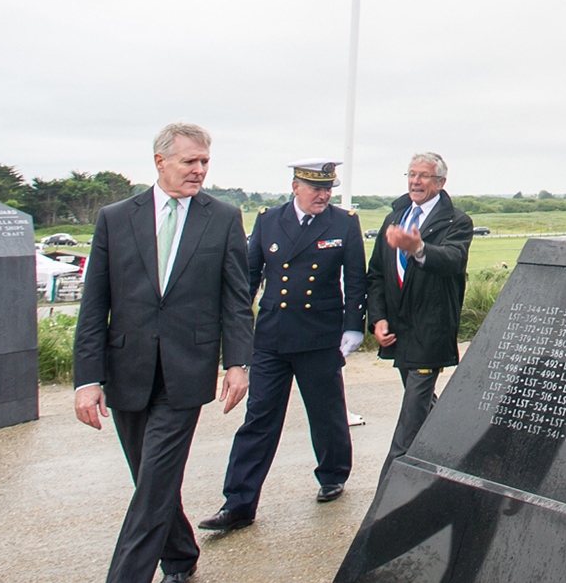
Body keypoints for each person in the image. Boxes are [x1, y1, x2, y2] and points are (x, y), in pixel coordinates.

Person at [73, 123, 253, 583]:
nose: (199, 170)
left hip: (186, 372)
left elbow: (236, 299)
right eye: (189, 161)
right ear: (160, 162)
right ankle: (179, 553)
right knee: (151, 480)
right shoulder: (115, 218)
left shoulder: (224, 217)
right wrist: (87, 379)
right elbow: (95, 305)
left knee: (154, 483)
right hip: (126, 369)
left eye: (204, 162)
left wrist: (237, 363)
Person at [199, 159, 368, 532]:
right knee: (259, 419)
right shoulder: (268, 220)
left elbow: (356, 278)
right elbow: (248, 279)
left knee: (326, 413)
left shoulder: (344, 222)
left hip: (320, 335)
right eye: (315, 189)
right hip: (272, 336)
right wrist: (237, 333)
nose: (323, 195)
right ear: (295, 187)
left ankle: (333, 474)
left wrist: (354, 327)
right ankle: (239, 504)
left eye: (328, 189)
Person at [366, 152, 473, 472]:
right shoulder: (394, 218)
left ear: (440, 183)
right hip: (398, 330)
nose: (415, 181)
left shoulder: (457, 221)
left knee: (410, 418)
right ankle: (460, 451)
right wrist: (379, 317)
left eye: (424, 176)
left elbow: (452, 260)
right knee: (424, 404)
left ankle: (388, 488)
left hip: (431, 331)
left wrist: (419, 249)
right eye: (411, 174)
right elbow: (376, 275)